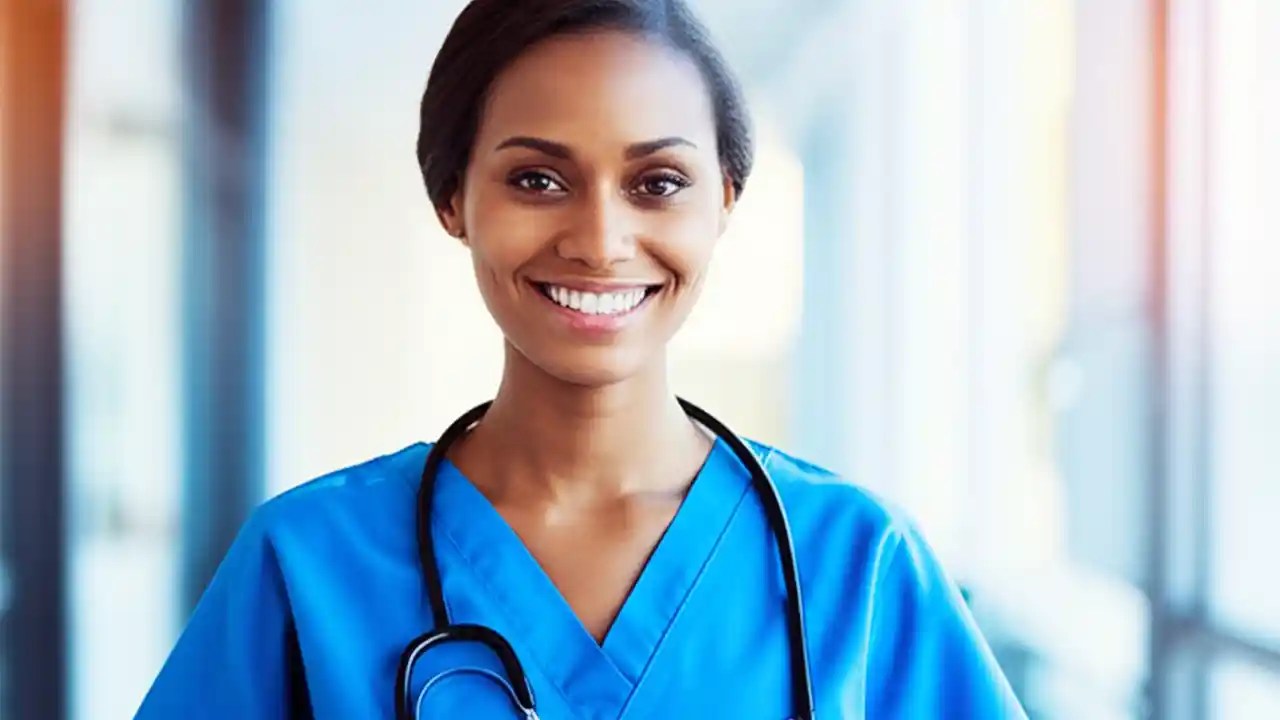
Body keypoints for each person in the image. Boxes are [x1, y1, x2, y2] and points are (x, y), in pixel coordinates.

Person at [136, 1, 1027, 717]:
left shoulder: (857, 562)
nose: (601, 242)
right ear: (454, 198)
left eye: (658, 184)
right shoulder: (309, 564)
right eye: (537, 179)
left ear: (723, 201)